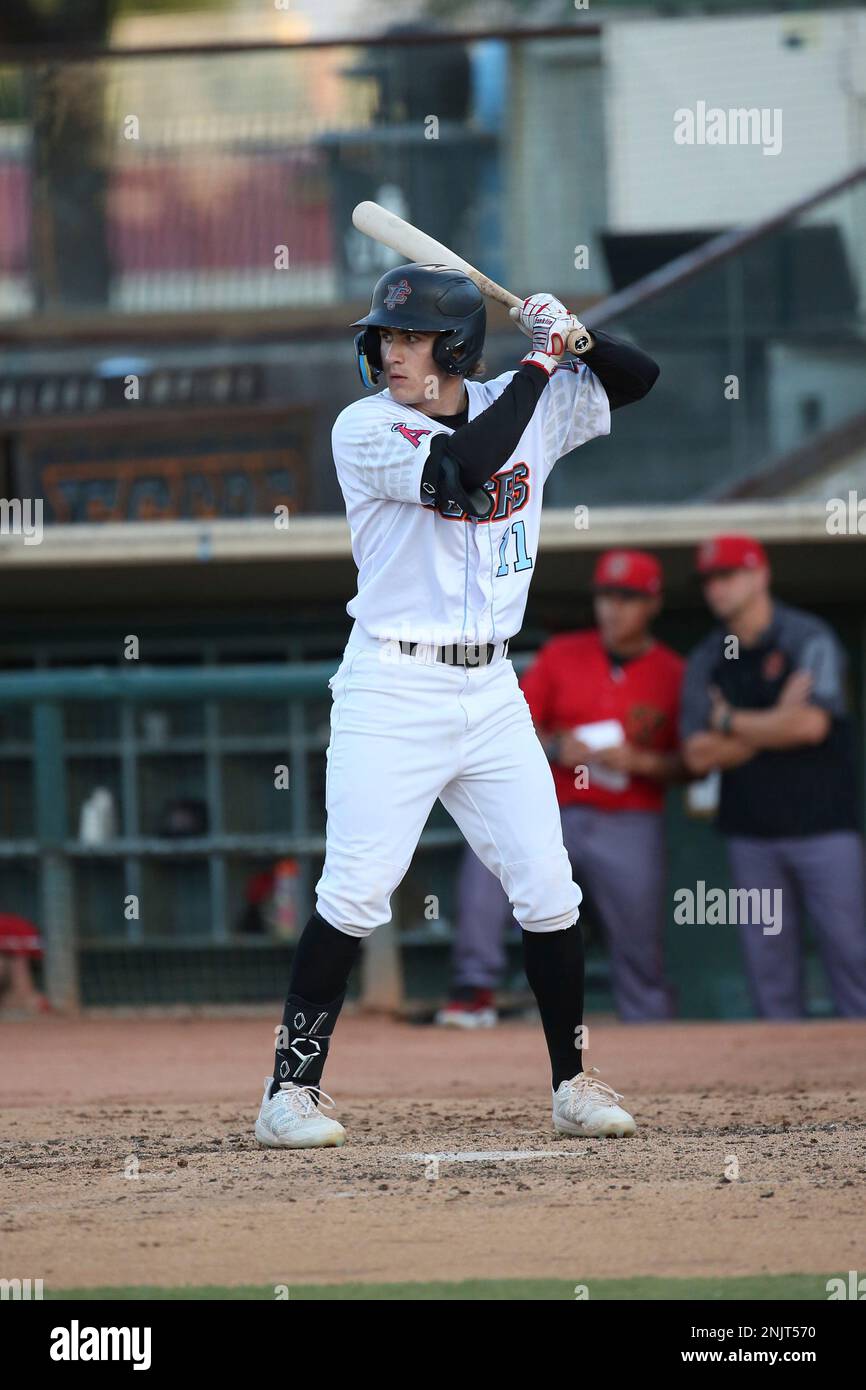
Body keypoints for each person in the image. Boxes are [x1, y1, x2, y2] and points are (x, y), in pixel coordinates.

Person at [255, 264, 659, 1148]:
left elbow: (640, 380)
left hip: (492, 686)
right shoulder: (365, 427)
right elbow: (464, 465)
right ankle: (289, 1091)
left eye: (411, 339)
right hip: (393, 685)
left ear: (459, 347)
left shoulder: (527, 393)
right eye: (387, 338)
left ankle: (573, 1081)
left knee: (550, 889)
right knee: (356, 891)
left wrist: (578, 335)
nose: (391, 352)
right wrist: (545, 366)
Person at [436, 548, 684, 1028]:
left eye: (628, 597)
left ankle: (651, 1024)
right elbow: (505, 727)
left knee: (639, 940)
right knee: (490, 860)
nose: (613, 607)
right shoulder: (560, 654)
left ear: (652, 604)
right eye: (606, 595)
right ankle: (473, 992)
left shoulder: (673, 672)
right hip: (551, 805)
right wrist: (554, 748)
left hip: (629, 815)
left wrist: (641, 760)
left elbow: (689, 764)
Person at [681, 533, 866, 1018]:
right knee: (770, 973)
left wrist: (729, 723)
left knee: (851, 958)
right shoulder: (708, 656)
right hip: (752, 834)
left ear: (760, 574)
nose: (716, 588)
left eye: (727, 575)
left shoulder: (807, 637)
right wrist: (772, 724)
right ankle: (785, 1092)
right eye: (709, 580)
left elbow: (810, 726)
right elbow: (697, 757)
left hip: (825, 829)